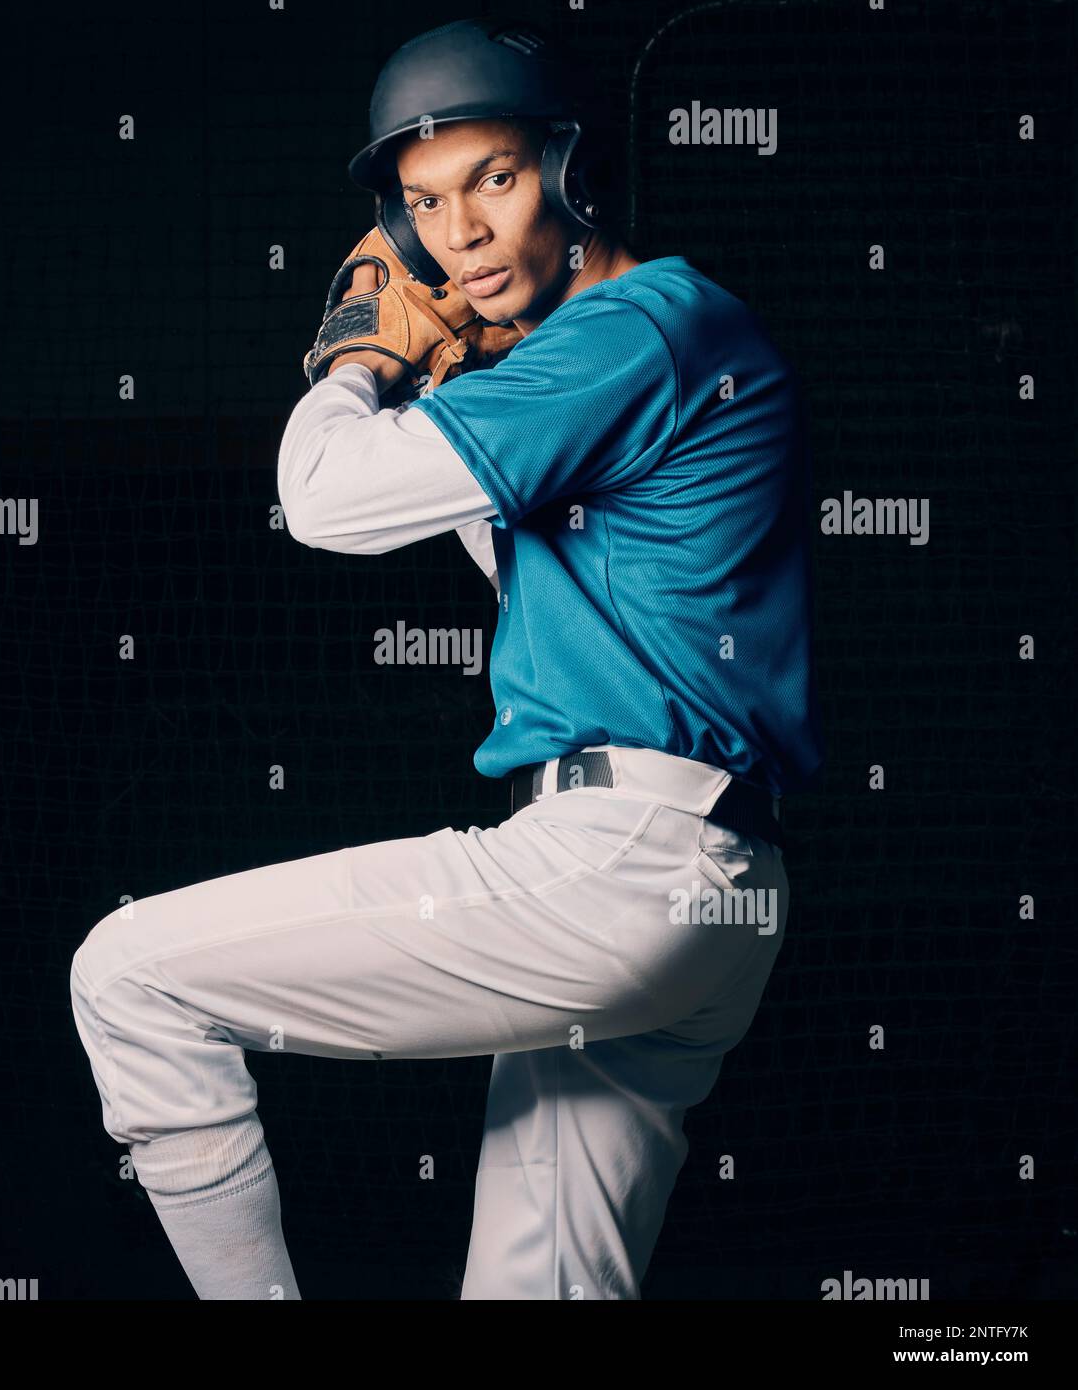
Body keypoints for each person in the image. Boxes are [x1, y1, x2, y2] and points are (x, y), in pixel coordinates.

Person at [69, 17, 822, 1301]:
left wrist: (357, 352)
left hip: (614, 872)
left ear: (573, 168)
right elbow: (504, 543)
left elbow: (321, 496)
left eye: (495, 178)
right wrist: (453, 381)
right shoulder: (625, 353)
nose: (459, 233)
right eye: (425, 202)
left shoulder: (628, 331)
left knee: (125, 974)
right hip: (710, 890)